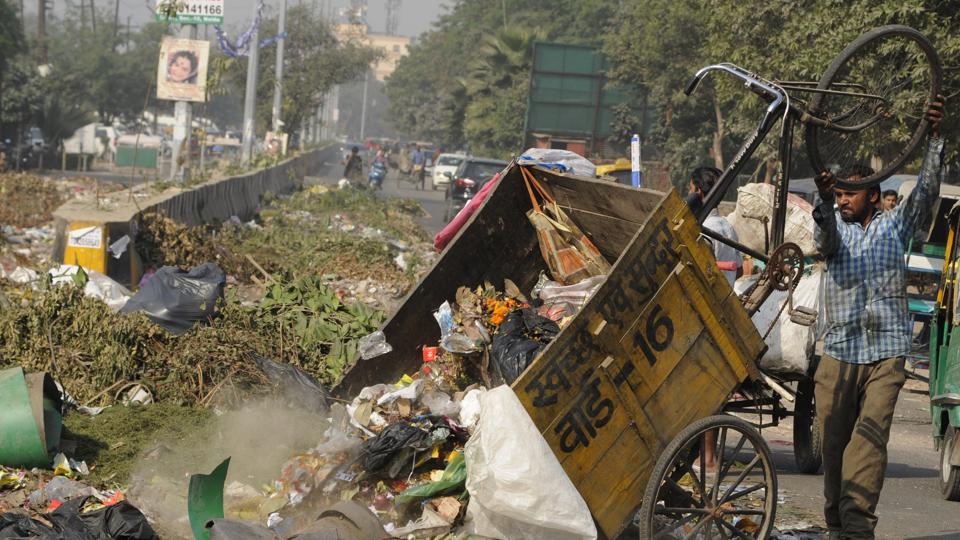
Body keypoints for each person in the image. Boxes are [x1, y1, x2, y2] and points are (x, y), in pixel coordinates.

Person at [811, 95, 944, 539]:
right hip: (840, 351)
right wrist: (824, 202)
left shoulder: (893, 225)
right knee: (833, 448)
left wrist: (934, 140)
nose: (845, 200)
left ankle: (856, 530)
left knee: (867, 447)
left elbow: (924, 196)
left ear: (872, 195)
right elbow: (824, 237)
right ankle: (837, 524)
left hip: (886, 353)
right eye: (840, 194)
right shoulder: (835, 227)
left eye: (850, 194)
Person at [687, 166, 743, 287]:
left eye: (691, 189)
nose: (688, 194)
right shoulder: (729, 227)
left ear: (699, 193)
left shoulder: (703, 230)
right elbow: (739, 270)